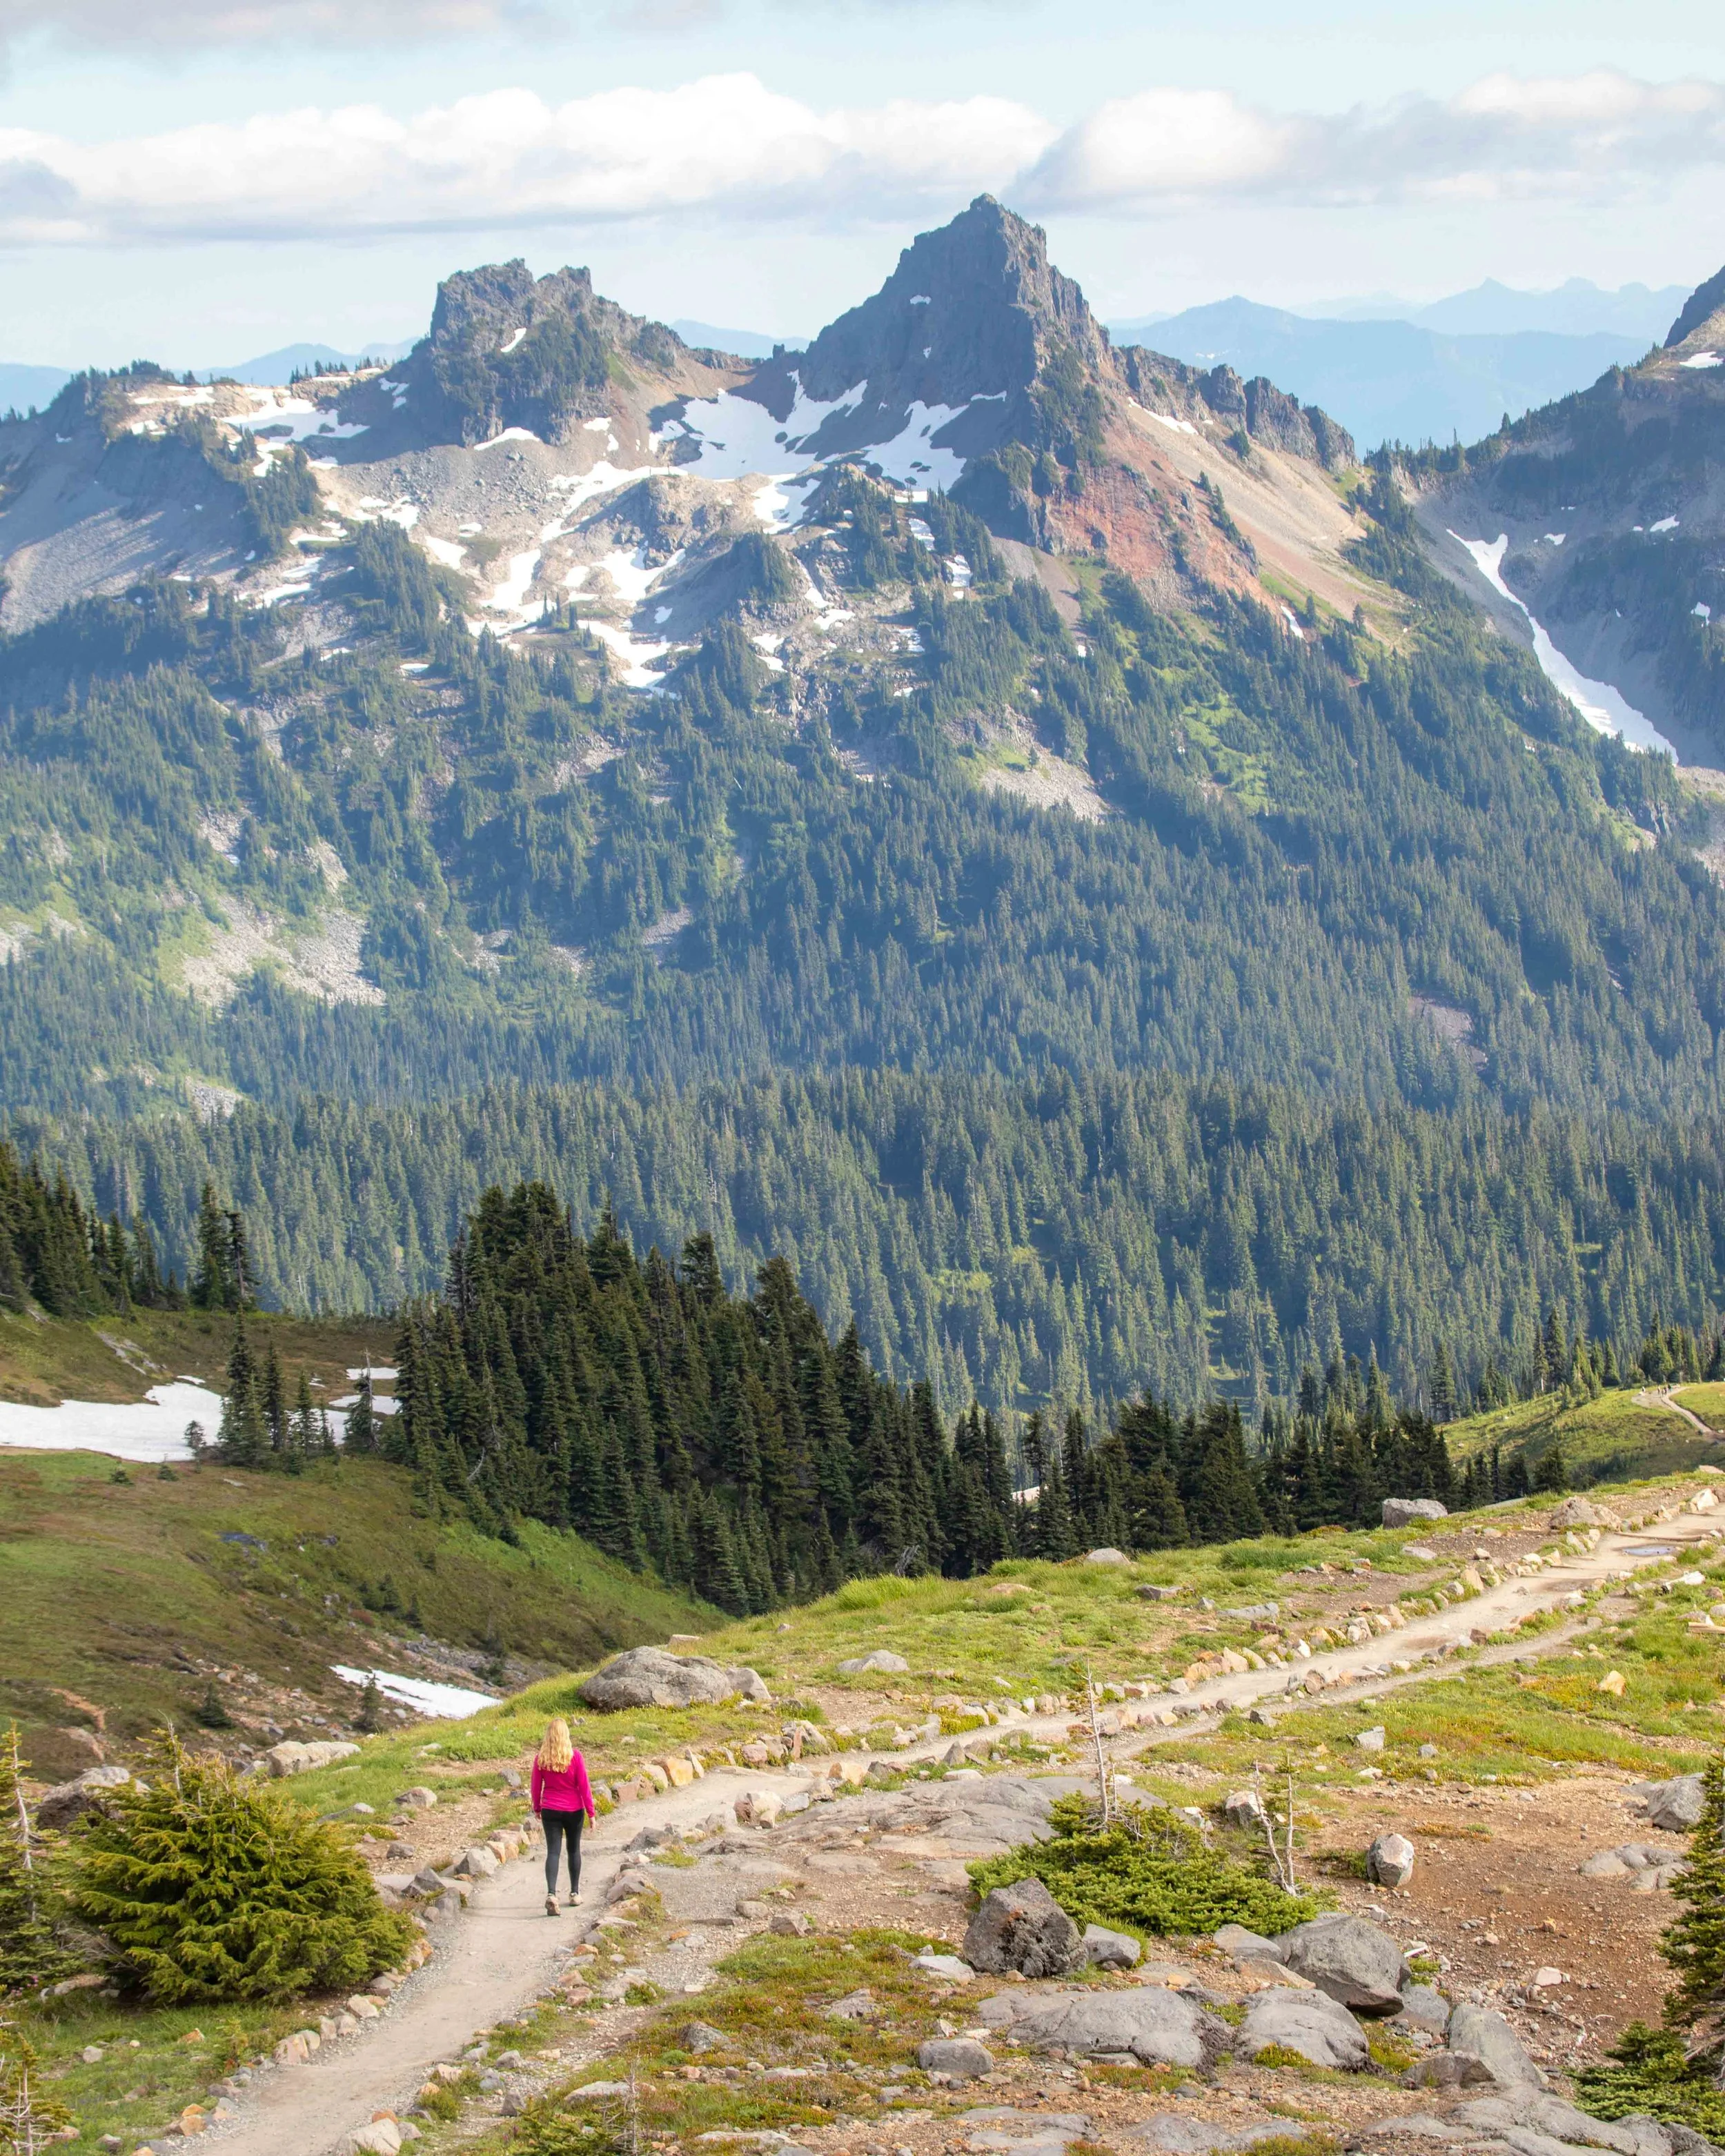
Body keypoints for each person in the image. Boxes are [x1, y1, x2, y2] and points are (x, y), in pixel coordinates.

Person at [531, 1716, 594, 1915]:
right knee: (574, 1850)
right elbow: (584, 1785)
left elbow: (535, 1786)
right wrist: (591, 1812)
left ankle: (551, 1893)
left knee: (553, 1852)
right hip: (574, 1810)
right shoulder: (575, 1757)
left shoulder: (541, 1758)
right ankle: (575, 1893)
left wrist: (537, 1807)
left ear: (549, 1736)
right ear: (566, 1735)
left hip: (550, 1808)